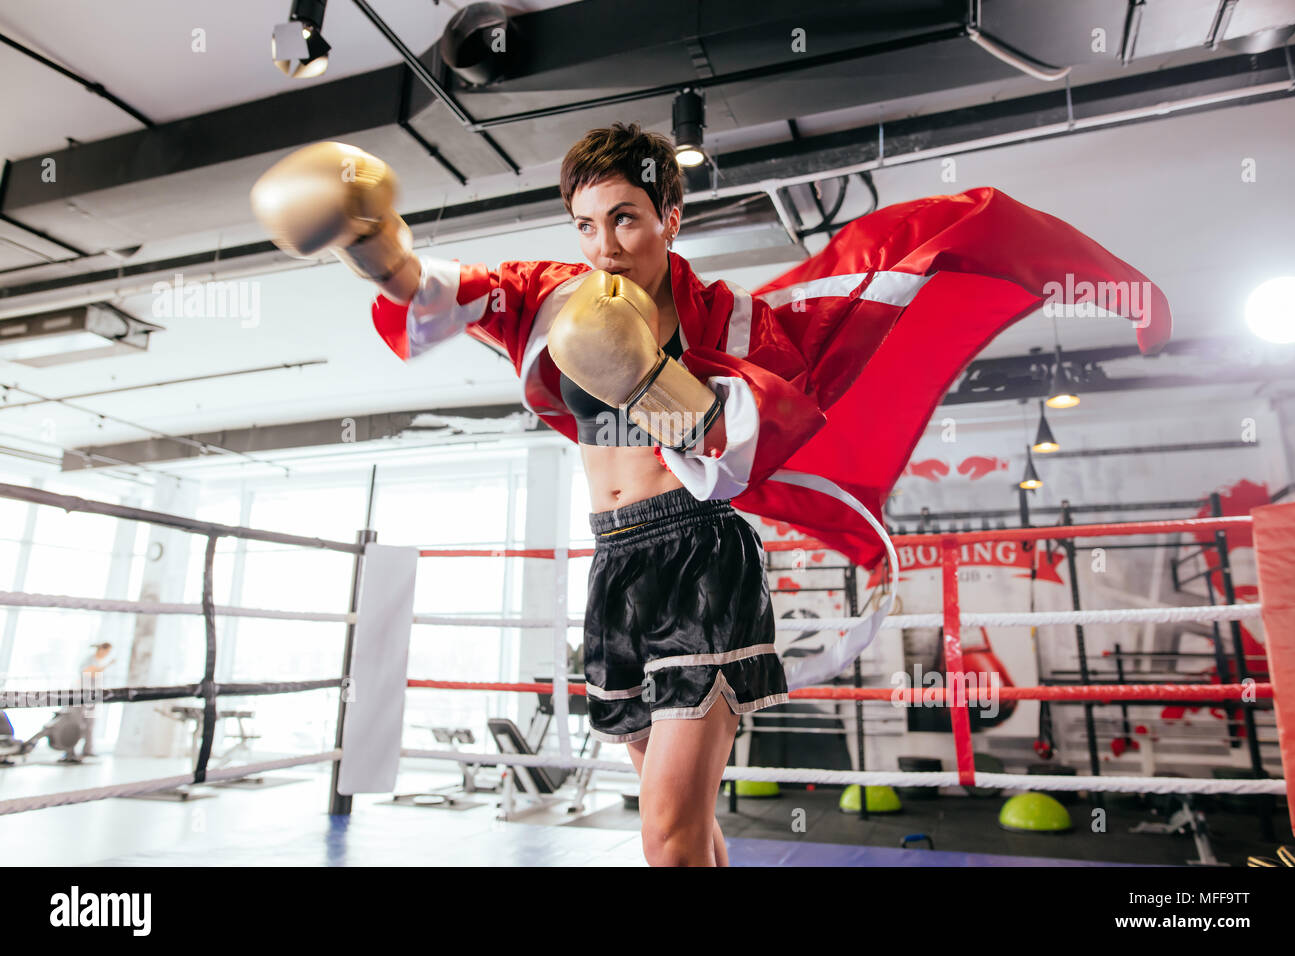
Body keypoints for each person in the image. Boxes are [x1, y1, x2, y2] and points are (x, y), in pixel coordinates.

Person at [251, 125, 1172, 866]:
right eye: (585, 224)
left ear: (672, 216)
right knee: (681, 836)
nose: (604, 246)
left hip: (699, 559)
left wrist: (651, 377)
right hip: (615, 565)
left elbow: (737, 459)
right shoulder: (553, 297)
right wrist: (372, 244)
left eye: (626, 219)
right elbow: (432, 294)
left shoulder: (730, 319)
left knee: (666, 838)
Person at [76, 641, 113, 758]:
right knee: (79, 723)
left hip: (93, 696)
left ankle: (88, 749)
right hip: (83, 695)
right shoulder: (90, 660)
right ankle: (72, 749)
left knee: (91, 724)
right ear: (102, 650)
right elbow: (89, 673)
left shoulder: (98, 662)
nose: (108, 654)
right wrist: (107, 666)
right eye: (107, 651)